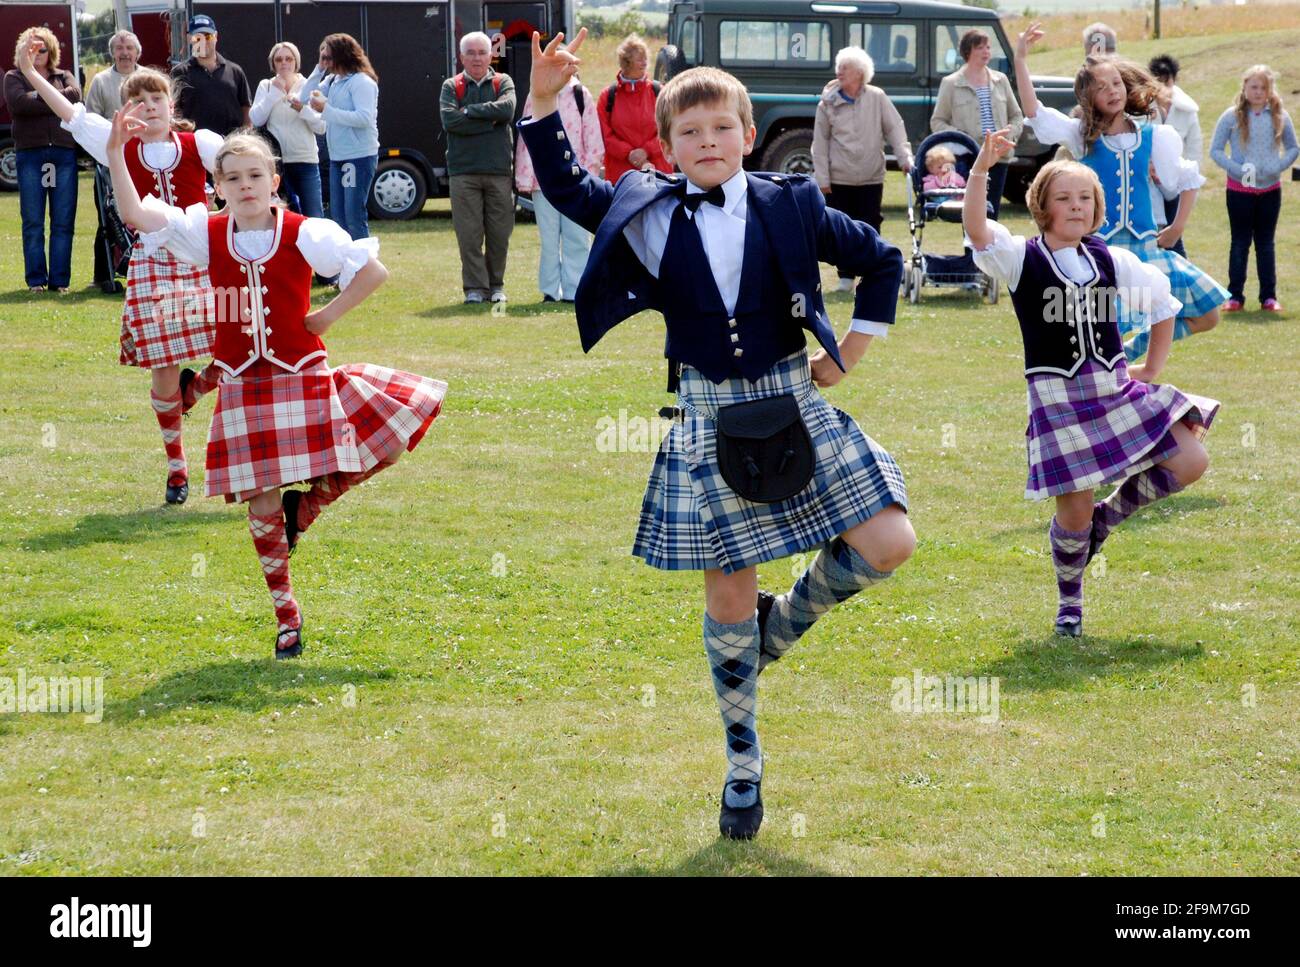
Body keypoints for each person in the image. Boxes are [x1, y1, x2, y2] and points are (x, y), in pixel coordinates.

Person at [520, 30, 914, 841]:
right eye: (690, 133)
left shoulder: (792, 202)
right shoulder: (647, 210)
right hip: (708, 417)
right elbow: (566, 185)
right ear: (667, 147)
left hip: (794, 400)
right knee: (728, 595)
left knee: (889, 541)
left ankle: (780, 624)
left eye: (722, 128)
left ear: (748, 132)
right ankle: (743, 763)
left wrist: (850, 351)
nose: (708, 142)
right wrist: (541, 101)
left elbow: (880, 260)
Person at [106, 113, 447, 658]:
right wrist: (115, 152)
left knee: (389, 437)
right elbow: (136, 213)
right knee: (261, 503)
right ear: (218, 187)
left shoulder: (306, 231)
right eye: (233, 178)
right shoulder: (206, 233)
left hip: (302, 371)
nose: (245, 186)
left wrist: (327, 316)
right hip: (243, 385)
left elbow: (372, 271)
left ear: (274, 182)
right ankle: (287, 616)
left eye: (255, 176)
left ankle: (305, 509)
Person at [963, 131, 1218, 637]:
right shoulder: (1021, 258)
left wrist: (1152, 370)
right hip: (1057, 403)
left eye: (1085, 197)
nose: (1076, 206)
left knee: (1191, 459)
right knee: (1074, 511)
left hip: (1114, 392)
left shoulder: (1110, 259)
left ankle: (1109, 519)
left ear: (1097, 207)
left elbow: (1164, 304)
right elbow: (977, 230)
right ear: (1042, 206)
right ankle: (1070, 604)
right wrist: (980, 170)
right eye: (1064, 198)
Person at [20, 47, 224, 504]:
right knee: (163, 367)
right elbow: (71, 113)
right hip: (153, 262)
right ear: (126, 110)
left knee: (239, 345)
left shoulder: (201, 144)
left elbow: (241, 168)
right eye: (139, 101)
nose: (149, 107)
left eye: (157, 99)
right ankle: (177, 468)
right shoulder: (117, 145)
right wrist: (31, 72)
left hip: (203, 258)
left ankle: (197, 387)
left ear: (172, 105)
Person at [1015, 24, 1227, 363]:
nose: (1113, 91)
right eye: (1102, 88)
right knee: (1099, 326)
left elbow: (1187, 180)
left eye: (1116, 83)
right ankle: (1107, 370)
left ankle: (1130, 355)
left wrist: (1177, 228)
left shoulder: (1154, 136)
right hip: (1101, 253)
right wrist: (1021, 59)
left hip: (1146, 249)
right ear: (1089, 98)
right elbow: (1034, 112)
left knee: (1208, 315)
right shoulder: (1081, 136)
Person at [813, 46, 913, 292]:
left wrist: (905, 158)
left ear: (860, 72)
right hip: (839, 178)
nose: (839, 71)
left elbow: (895, 128)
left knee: (871, 224)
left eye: (845, 67)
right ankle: (846, 275)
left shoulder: (877, 97)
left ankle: (871, 270)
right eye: (838, 67)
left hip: (871, 176)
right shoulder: (827, 103)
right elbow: (820, 142)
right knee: (841, 229)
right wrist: (822, 178)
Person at [1210, 64, 1298, 313]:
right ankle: (1235, 296)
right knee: (1240, 243)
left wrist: (1277, 166)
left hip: (1270, 191)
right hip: (1239, 191)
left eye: (1263, 88)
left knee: (1266, 243)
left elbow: (1293, 147)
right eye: (1254, 87)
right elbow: (1216, 150)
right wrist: (1236, 169)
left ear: (1270, 90)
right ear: (1245, 88)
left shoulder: (1279, 116)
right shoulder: (1231, 116)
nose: (1258, 92)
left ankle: (1268, 297)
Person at [439, 31, 516, 304]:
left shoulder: (503, 81)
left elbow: (507, 111)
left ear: (491, 55)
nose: (476, 58)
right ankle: (474, 288)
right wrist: (490, 122)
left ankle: (496, 286)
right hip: (463, 172)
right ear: (461, 57)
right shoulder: (451, 86)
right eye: (470, 53)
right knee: (469, 236)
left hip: (499, 171)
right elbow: (450, 121)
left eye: (482, 52)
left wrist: (469, 112)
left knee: (499, 235)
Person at [4, 27, 80, 293]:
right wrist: (53, 99)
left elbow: (75, 97)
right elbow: (18, 104)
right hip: (31, 155)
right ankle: (36, 280)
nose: (36, 54)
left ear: (51, 51)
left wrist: (37, 98)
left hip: (63, 154)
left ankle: (60, 281)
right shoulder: (13, 77)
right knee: (33, 221)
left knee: (63, 220)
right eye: (31, 49)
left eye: (42, 49)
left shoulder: (64, 75)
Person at [515, 75, 602, 302]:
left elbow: (593, 138)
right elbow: (526, 139)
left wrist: (589, 177)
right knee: (549, 239)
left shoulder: (580, 94)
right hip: (543, 182)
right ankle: (550, 291)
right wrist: (524, 177)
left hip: (576, 181)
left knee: (577, 237)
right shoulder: (536, 93)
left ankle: (575, 290)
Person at [930, 28, 1023, 219]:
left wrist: (1009, 134)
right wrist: (961, 138)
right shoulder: (951, 83)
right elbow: (937, 122)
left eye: (988, 47)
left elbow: (1016, 116)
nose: (986, 52)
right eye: (980, 47)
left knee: (992, 212)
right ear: (968, 51)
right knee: (970, 212)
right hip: (968, 158)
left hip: (998, 156)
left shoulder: (1001, 80)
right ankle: (970, 241)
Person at [300, 34, 380, 246]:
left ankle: (363, 262)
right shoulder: (332, 80)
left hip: (358, 156)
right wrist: (319, 69)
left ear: (342, 55)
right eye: (322, 56)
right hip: (338, 157)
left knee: (353, 216)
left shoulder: (362, 82)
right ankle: (346, 261)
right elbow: (303, 97)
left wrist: (326, 110)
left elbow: (364, 118)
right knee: (339, 217)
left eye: (328, 57)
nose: (326, 61)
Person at [85, 29, 143, 291]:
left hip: (142, 157)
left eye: (129, 48)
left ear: (137, 52)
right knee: (107, 217)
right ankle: (102, 275)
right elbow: (91, 119)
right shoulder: (101, 81)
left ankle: (143, 271)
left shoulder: (147, 79)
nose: (124, 53)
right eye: (119, 48)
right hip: (109, 160)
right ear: (112, 53)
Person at [251, 41, 326, 217]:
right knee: (282, 217)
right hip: (277, 163)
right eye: (279, 59)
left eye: (289, 59)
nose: (284, 63)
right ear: (273, 63)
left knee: (314, 215)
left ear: (296, 62)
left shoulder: (309, 85)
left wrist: (302, 110)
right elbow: (256, 118)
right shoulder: (266, 85)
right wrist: (274, 94)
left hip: (305, 161)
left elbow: (322, 126)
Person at [598, 33, 669, 184]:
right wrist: (628, 153)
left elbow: (669, 129)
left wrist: (646, 150)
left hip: (658, 171)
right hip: (620, 174)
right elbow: (604, 135)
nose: (645, 63)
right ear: (626, 62)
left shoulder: (659, 92)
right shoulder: (608, 96)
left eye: (645, 58)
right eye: (640, 59)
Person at [1149, 54, 1201, 258]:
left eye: (1167, 81)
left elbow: (1194, 150)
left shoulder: (1187, 110)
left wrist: (1188, 183)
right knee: (1153, 236)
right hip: (1148, 182)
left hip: (1175, 183)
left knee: (1174, 238)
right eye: (1157, 81)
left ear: (1174, 80)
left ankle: (1180, 274)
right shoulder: (1141, 107)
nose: (1163, 87)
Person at [170, 14, 252, 137]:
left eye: (208, 36)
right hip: (194, 143)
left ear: (216, 37)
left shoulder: (235, 71)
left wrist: (245, 135)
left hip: (230, 143)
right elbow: (172, 110)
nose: (203, 42)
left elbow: (246, 107)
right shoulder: (179, 73)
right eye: (198, 37)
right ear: (189, 39)